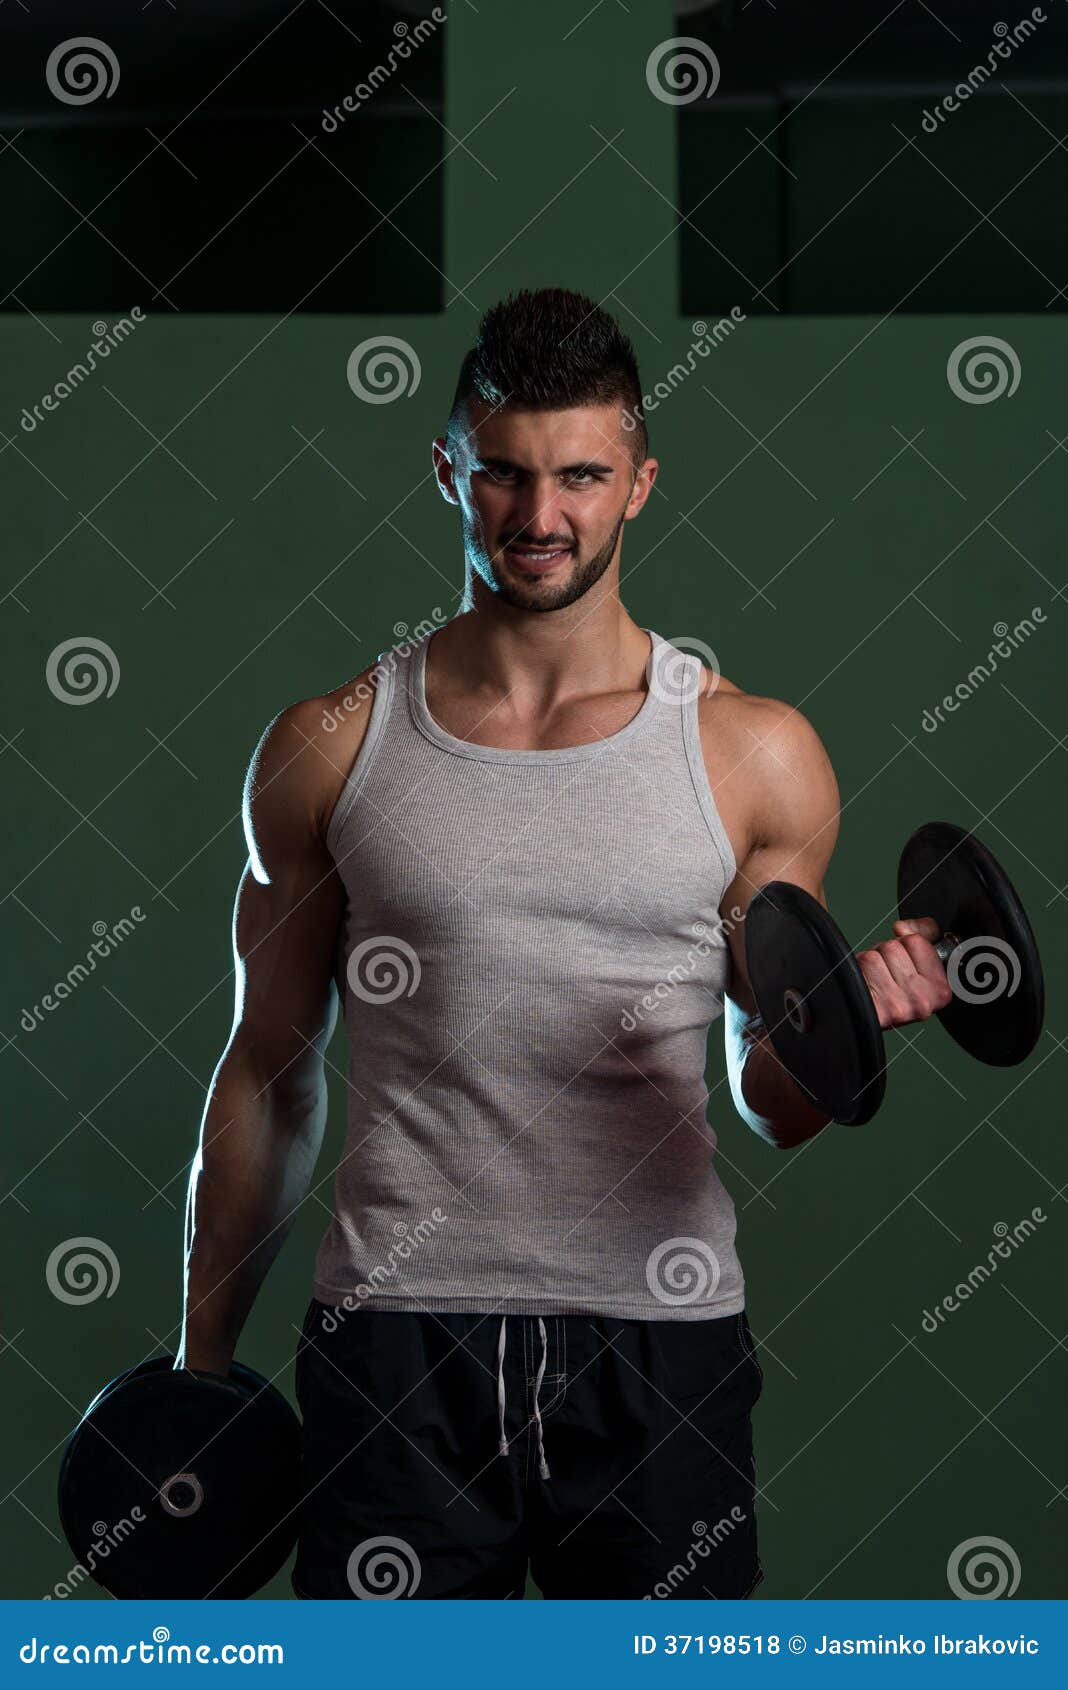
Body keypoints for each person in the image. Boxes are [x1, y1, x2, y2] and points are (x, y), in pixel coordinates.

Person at [177, 288, 951, 1599]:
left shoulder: (753, 755)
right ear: (447, 470)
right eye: (504, 474)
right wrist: (198, 1372)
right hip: (394, 1346)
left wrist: (846, 1024)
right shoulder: (331, 745)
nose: (542, 518)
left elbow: (771, 1101)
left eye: (583, 475)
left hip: (661, 1343)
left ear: (640, 482)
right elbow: (266, 1068)